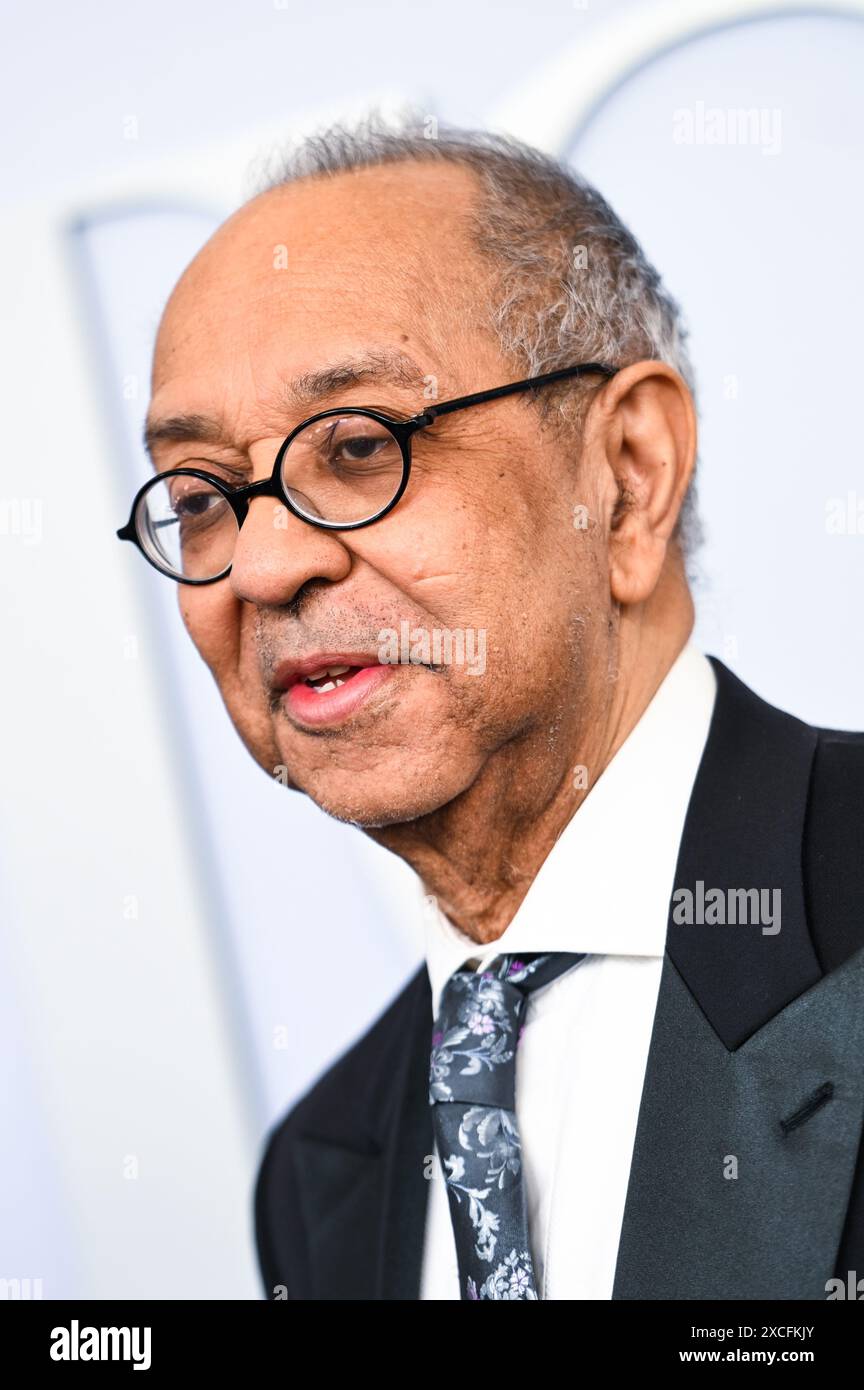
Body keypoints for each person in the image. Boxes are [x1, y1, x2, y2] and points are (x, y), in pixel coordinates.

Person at [117, 116, 864, 1300]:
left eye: (357, 445)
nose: (261, 568)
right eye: (204, 495)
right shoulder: (324, 1169)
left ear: (626, 475)